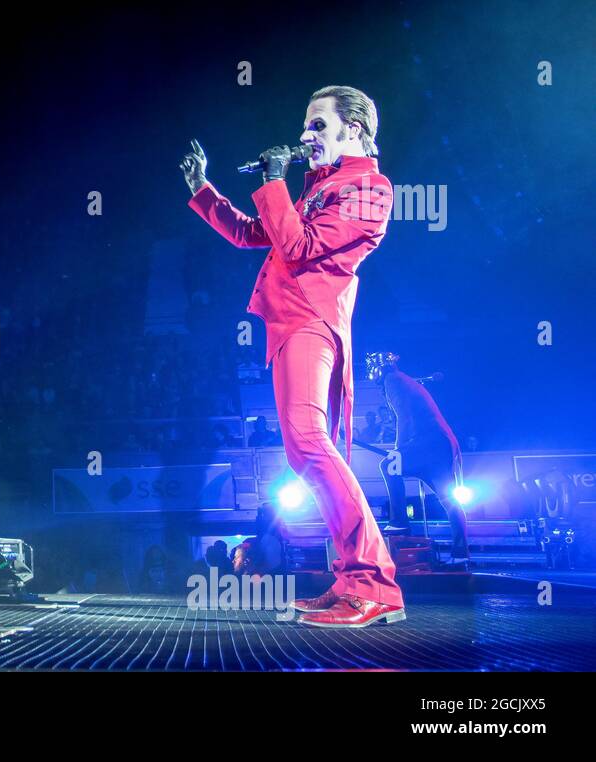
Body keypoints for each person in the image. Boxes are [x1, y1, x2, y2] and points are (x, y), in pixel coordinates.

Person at [182, 85, 404, 628]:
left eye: (318, 126)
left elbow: (300, 247)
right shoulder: (318, 189)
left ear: (354, 128)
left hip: (311, 320)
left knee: (308, 443)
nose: (306, 136)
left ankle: (375, 585)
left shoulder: (368, 187)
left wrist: (273, 181)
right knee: (305, 455)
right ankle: (351, 581)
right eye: (305, 126)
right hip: (289, 323)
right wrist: (203, 190)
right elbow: (249, 234)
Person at [365, 351, 469, 562]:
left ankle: (399, 521)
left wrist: (399, 448)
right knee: (449, 499)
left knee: (389, 465)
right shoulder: (405, 381)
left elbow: (404, 415)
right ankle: (461, 553)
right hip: (441, 445)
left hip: (428, 445)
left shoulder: (392, 380)